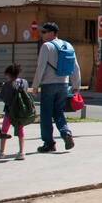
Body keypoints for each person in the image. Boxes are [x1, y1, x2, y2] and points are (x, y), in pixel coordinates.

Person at [34, 21, 81, 153]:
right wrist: (76, 84)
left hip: (48, 84)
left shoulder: (46, 46)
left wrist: (35, 86)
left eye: (44, 32)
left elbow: (40, 67)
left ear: (52, 33)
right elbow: (75, 66)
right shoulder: (68, 45)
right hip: (64, 84)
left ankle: (49, 143)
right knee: (59, 111)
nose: (42, 34)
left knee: (46, 114)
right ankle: (66, 132)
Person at [0, 64, 30, 161]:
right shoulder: (24, 82)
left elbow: (4, 98)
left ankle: (1, 151)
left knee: (4, 130)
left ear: (8, 74)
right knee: (20, 130)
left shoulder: (7, 84)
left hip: (10, 111)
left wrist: (4, 87)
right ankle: (21, 152)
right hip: (21, 111)